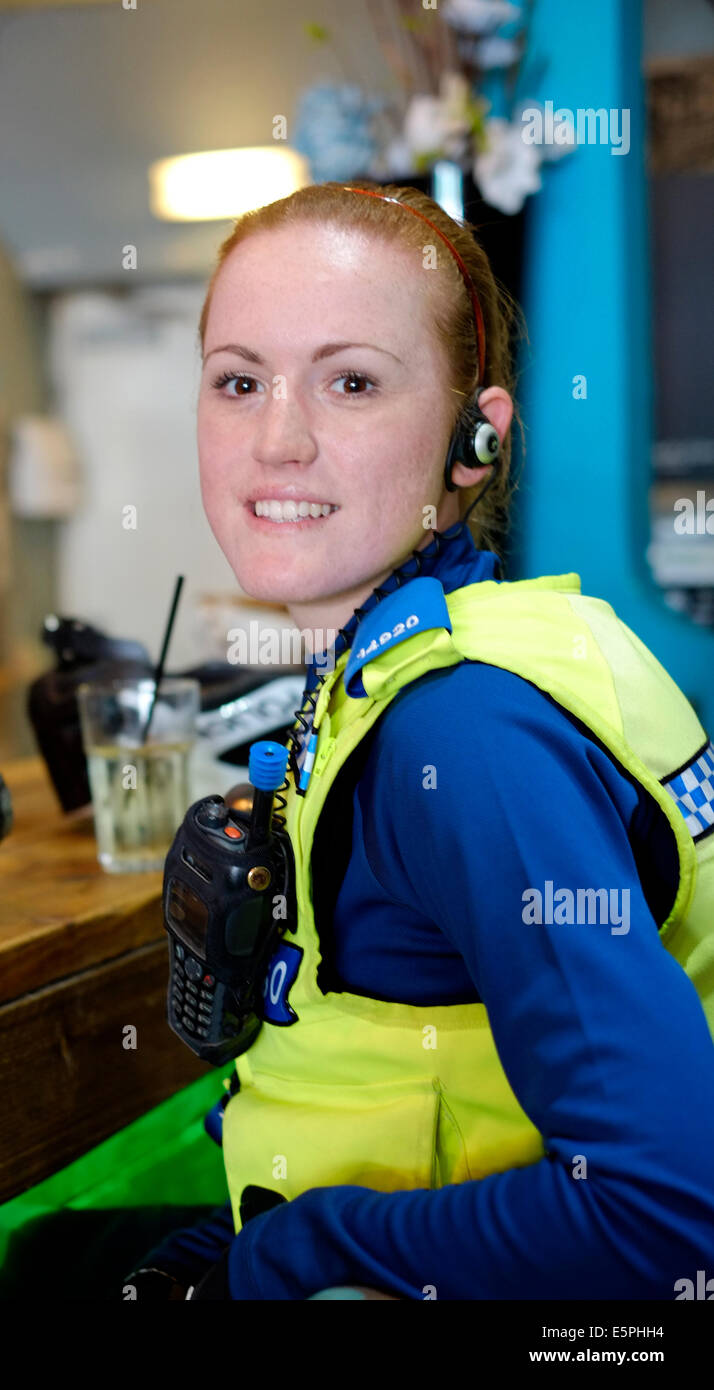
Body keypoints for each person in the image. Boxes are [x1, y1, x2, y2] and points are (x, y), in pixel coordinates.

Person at [124, 179, 714, 1301]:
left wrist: (287, 1255)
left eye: (350, 382)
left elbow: (666, 1214)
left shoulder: (465, 733)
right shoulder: (432, 658)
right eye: (238, 382)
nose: (277, 439)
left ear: (472, 441)